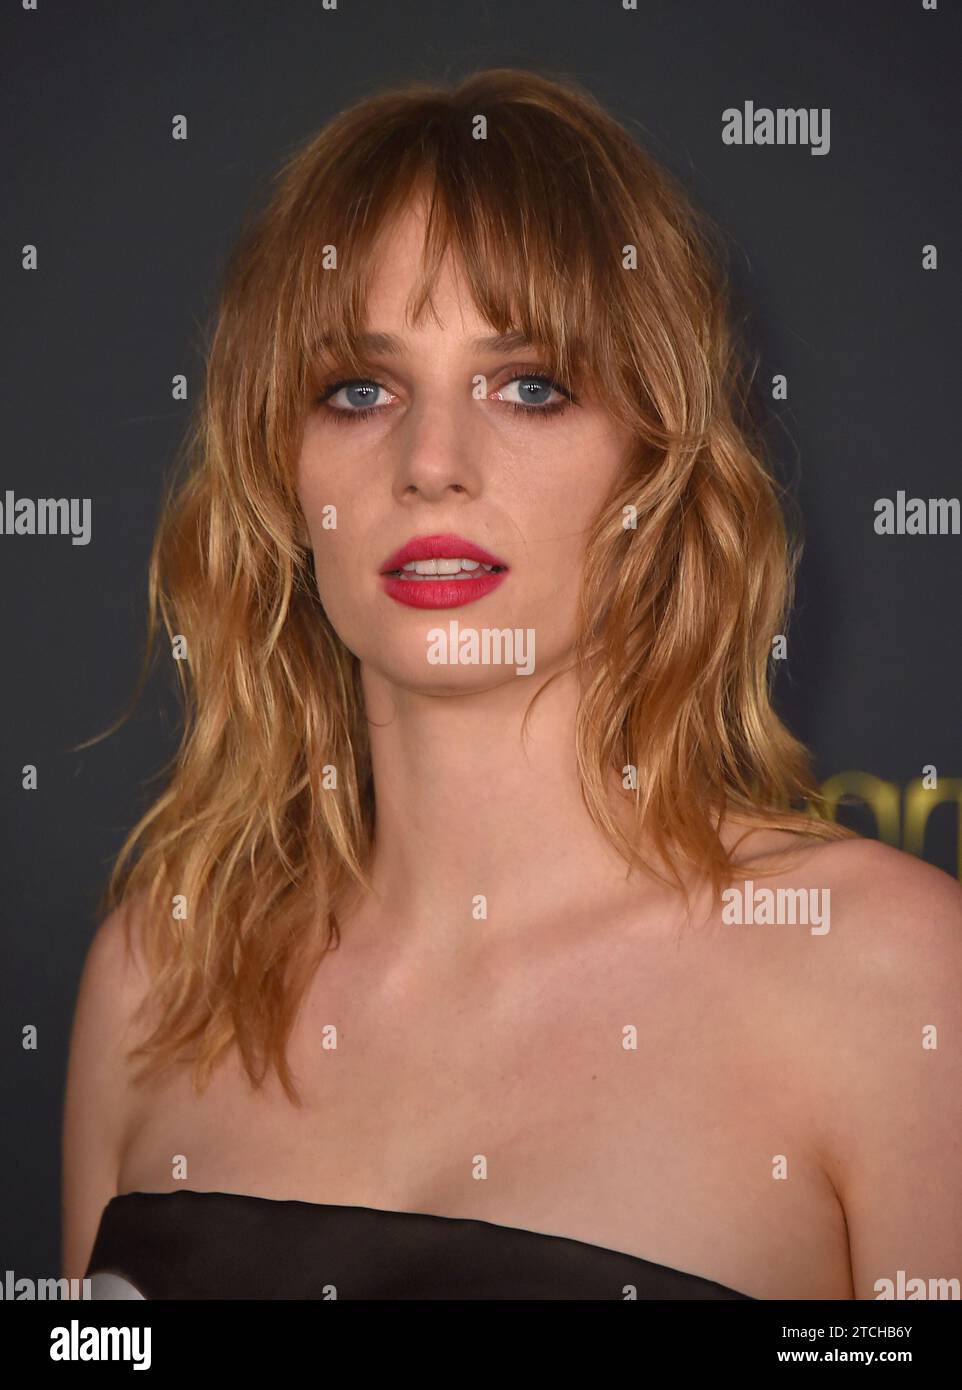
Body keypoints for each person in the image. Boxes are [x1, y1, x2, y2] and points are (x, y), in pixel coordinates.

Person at [62, 68, 962, 1300]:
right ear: (281, 474)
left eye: (530, 384)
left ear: (652, 467)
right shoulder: (160, 975)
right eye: (357, 390)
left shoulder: (890, 974)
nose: (431, 463)